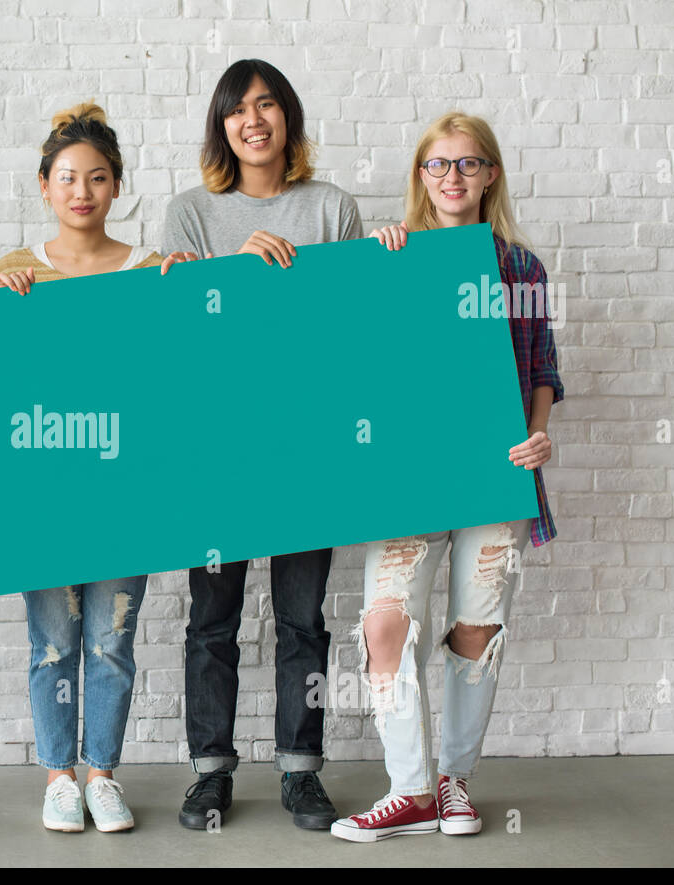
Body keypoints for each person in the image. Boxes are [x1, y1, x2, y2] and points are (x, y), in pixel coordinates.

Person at [330, 112, 564, 842]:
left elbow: (543, 368)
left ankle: (454, 782)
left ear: (490, 173)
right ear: (420, 176)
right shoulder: (391, 256)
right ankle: (410, 791)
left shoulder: (521, 267)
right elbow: (353, 363)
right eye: (438, 165)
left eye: (468, 163)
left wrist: (539, 436)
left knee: (475, 629)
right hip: (409, 474)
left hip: (494, 475)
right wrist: (381, 269)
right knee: (386, 625)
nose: (453, 177)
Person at [159, 59, 363, 831]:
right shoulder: (190, 212)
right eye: (238, 109)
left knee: (303, 619)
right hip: (216, 448)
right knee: (213, 619)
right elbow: (179, 338)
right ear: (221, 126)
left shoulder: (332, 207)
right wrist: (237, 273)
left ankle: (301, 772)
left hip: (305, 445)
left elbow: (346, 326)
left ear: (289, 119)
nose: (254, 120)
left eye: (268, 105)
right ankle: (210, 772)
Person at [0, 101, 164, 833]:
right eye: (68, 178)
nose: (82, 191)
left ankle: (103, 775)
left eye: (97, 177)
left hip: (125, 487)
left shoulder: (151, 267)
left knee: (111, 641)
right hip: (45, 490)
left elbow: (172, 374)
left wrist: (184, 294)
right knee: (53, 642)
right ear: (44, 185)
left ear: (117, 185)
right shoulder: (14, 271)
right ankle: (59, 774)